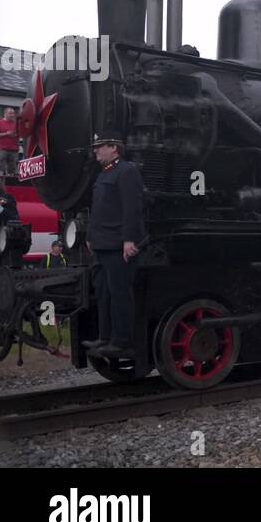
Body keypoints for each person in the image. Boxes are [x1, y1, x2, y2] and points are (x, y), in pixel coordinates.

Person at [81, 129, 146, 359]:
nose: (96, 150)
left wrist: (129, 239)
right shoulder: (103, 174)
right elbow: (97, 210)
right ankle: (105, 337)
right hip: (101, 244)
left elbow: (132, 208)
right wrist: (90, 236)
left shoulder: (127, 172)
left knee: (120, 293)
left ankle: (122, 341)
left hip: (118, 244)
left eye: (101, 146)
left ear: (114, 148)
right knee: (103, 293)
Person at [0, 107, 19, 190]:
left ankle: (14, 189)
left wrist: (16, 135)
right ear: (5, 114)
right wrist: (6, 134)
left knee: (13, 171)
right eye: (10, 113)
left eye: (13, 113)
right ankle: (2, 189)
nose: (12, 115)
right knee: (1, 170)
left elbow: (21, 133)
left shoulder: (16, 124)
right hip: (2, 149)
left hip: (14, 150)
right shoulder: (0, 123)